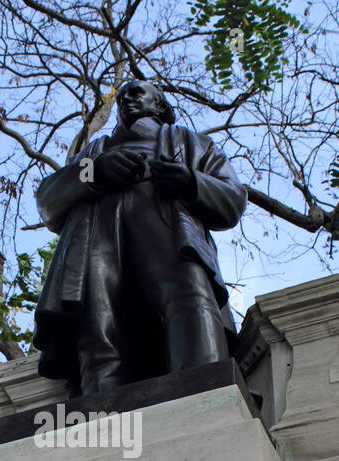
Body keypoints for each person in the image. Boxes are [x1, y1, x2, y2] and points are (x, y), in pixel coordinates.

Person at [32, 80, 247, 396]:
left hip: (168, 222)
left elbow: (232, 199)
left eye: (136, 92)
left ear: (159, 104)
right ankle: (100, 413)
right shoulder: (94, 153)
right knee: (96, 322)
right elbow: (48, 201)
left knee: (189, 301)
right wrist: (98, 171)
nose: (126, 99)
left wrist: (190, 182)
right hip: (95, 231)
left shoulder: (193, 144)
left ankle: (203, 397)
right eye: (121, 96)